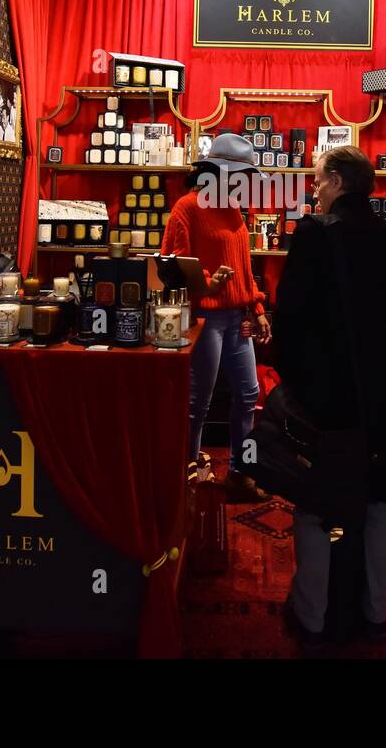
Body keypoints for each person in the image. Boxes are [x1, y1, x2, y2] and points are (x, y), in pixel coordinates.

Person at [273, 145, 386, 645]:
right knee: (379, 501)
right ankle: (374, 614)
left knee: (316, 505)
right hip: (380, 397)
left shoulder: (314, 235)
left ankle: (312, 618)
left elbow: (288, 319)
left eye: (317, 182)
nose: (313, 191)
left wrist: (295, 380)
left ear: (337, 182)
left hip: (325, 397)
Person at [161, 132, 272, 503]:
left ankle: (240, 473)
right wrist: (209, 284)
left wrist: (256, 308)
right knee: (198, 402)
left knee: (248, 393)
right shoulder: (187, 208)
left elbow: (244, 267)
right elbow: (172, 268)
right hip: (204, 319)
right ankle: (185, 474)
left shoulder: (234, 208)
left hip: (236, 316)